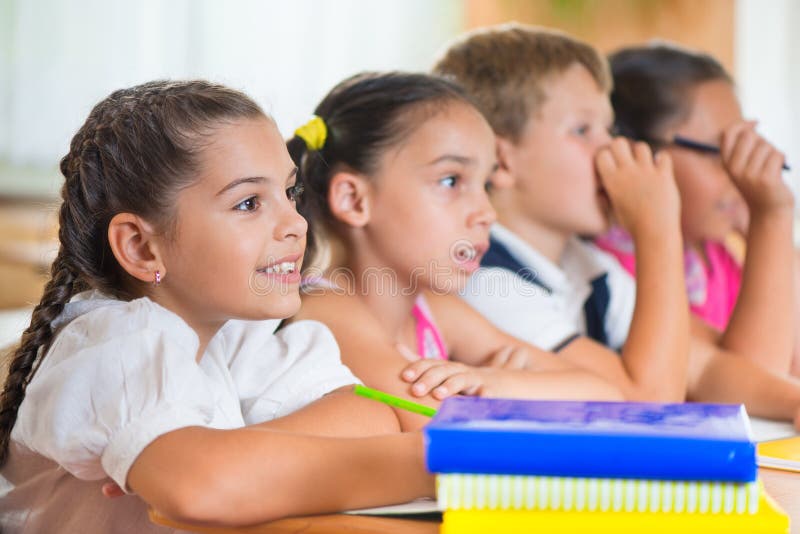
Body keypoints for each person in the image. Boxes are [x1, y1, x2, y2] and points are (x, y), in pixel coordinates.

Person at [0, 80, 431, 533]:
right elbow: (201, 489)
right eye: (248, 203)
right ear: (142, 248)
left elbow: (369, 417)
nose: (296, 223)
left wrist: (228, 455)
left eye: (290, 194)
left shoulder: (229, 332)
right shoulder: (115, 343)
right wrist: (429, 466)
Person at [433, 24, 800, 424]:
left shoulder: (586, 265)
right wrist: (657, 227)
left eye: (608, 129)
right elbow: (649, 398)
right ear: (501, 161)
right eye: (582, 130)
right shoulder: (485, 281)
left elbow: (710, 368)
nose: (611, 148)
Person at [289, 71, 623, 432]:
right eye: (451, 181)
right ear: (354, 200)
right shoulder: (324, 311)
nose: (487, 214)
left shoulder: (433, 310)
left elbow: (610, 396)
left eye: (485, 184)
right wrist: (522, 393)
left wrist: (498, 384)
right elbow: (451, 431)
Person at [595, 43, 799, 376]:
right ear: (634, 153)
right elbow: (755, 381)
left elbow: (792, 361)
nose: (739, 172)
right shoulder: (612, 272)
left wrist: (773, 242)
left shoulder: (710, 257)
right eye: (720, 152)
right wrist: (772, 217)